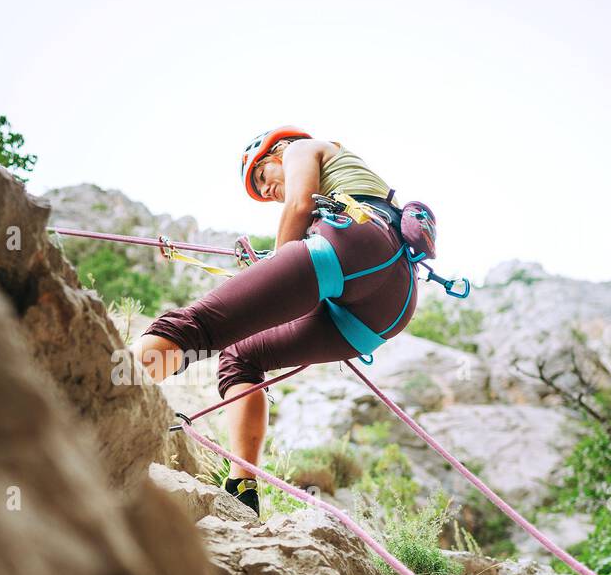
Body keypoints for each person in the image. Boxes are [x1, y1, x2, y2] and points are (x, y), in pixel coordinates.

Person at [131, 126, 424, 516]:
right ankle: (242, 487)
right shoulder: (347, 182)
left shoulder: (302, 147)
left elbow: (300, 204)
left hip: (354, 241)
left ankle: (100, 392)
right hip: (389, 308)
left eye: (261, 175)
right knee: (240, 357)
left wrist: (277, 266)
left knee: (198, 326)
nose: (265, 190)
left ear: (278, 150)